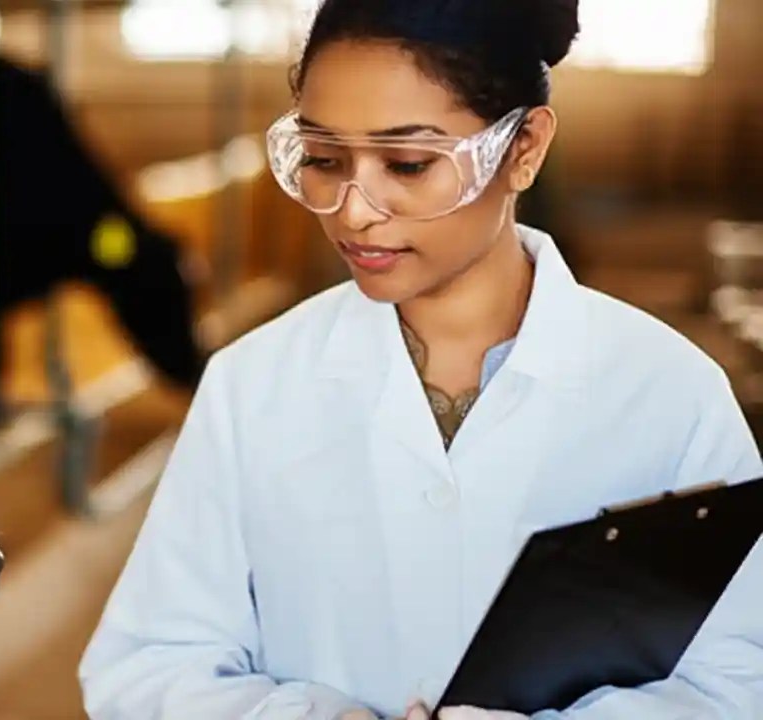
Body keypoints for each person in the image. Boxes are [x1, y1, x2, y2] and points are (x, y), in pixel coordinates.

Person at [77, 1, 763, 718]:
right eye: (323, 159)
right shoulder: (253, 384)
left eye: (407, 163)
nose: (354, 210)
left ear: (524, 148)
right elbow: (147, 666)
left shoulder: (669, 393)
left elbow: (737, 682)